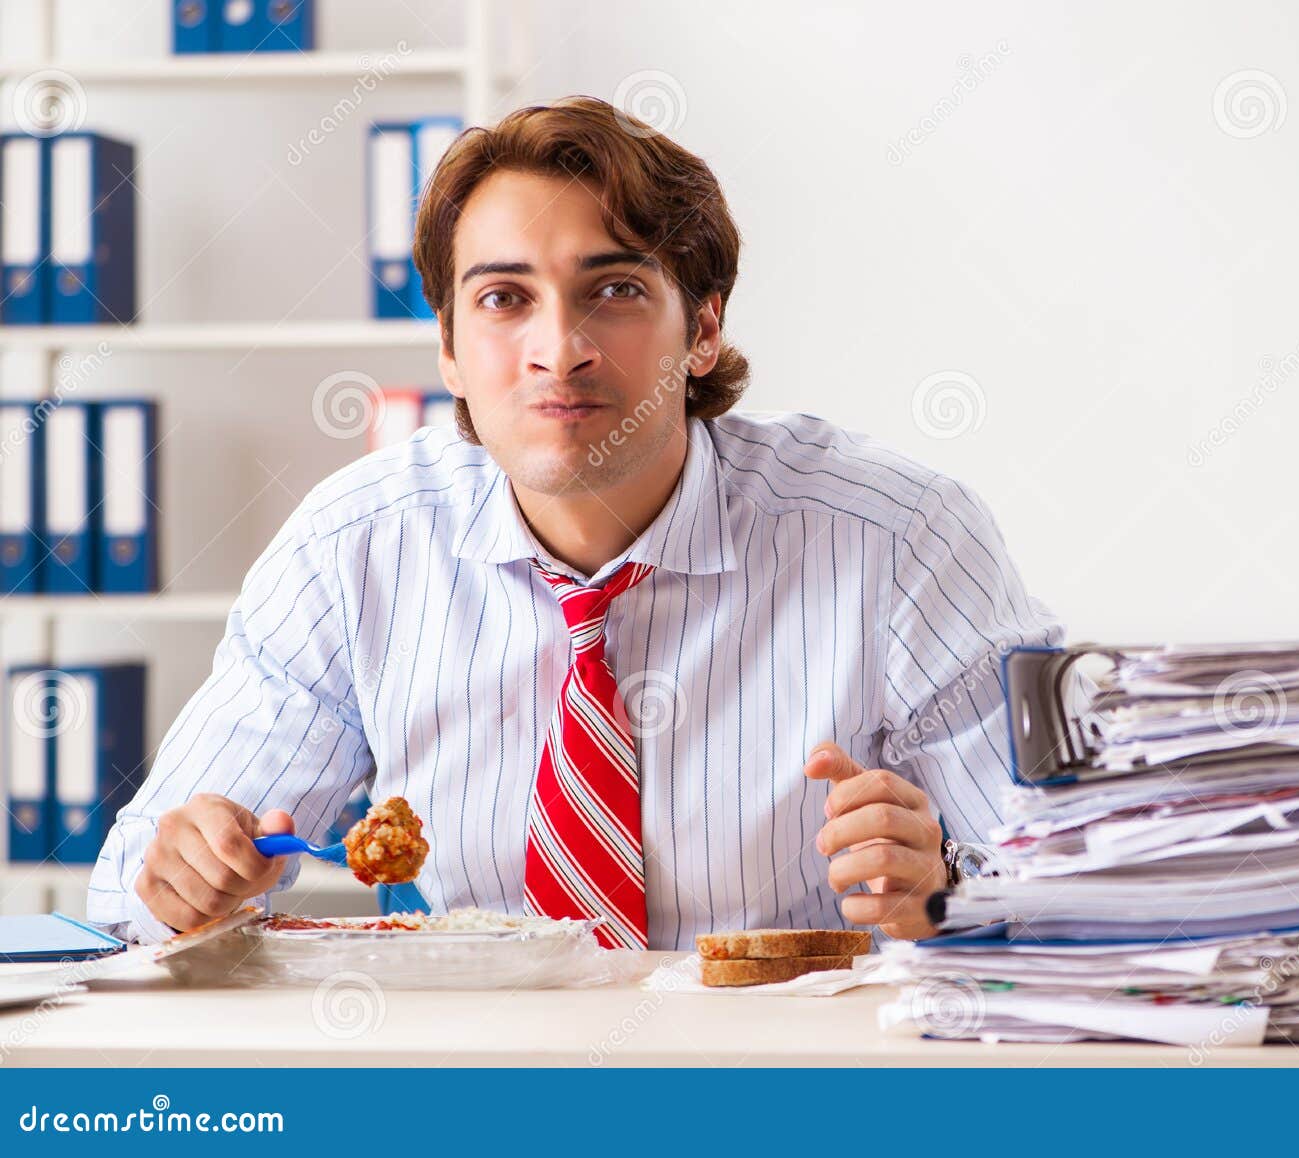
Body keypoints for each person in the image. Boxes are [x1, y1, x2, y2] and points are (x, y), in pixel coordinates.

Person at [88, 96, 1065, 949]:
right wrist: (185, 880)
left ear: (704, 329)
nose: (560, 349)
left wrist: (946, 889)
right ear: (450, 349)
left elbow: (1089, 878)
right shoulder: (356, 546)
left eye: (614, 290)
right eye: (505, 299)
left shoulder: (900, 539)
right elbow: (131, 896)